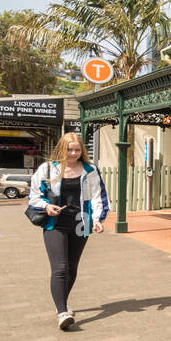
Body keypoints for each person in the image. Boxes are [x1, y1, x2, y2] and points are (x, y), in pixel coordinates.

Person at [29, 133, 109, 330]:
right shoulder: (47, 168)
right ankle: (62, 312)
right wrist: (46, 206)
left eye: (77, 149)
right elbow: (34, 196)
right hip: (54, 224)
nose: (73, 153)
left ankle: (61, 305)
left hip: (81, 224)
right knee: (61, 268)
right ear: (61, 149)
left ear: (82, 150)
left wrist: (98, 219)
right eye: (69, 149)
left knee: (72, 268)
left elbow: (98, 196)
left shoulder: (90, 170)